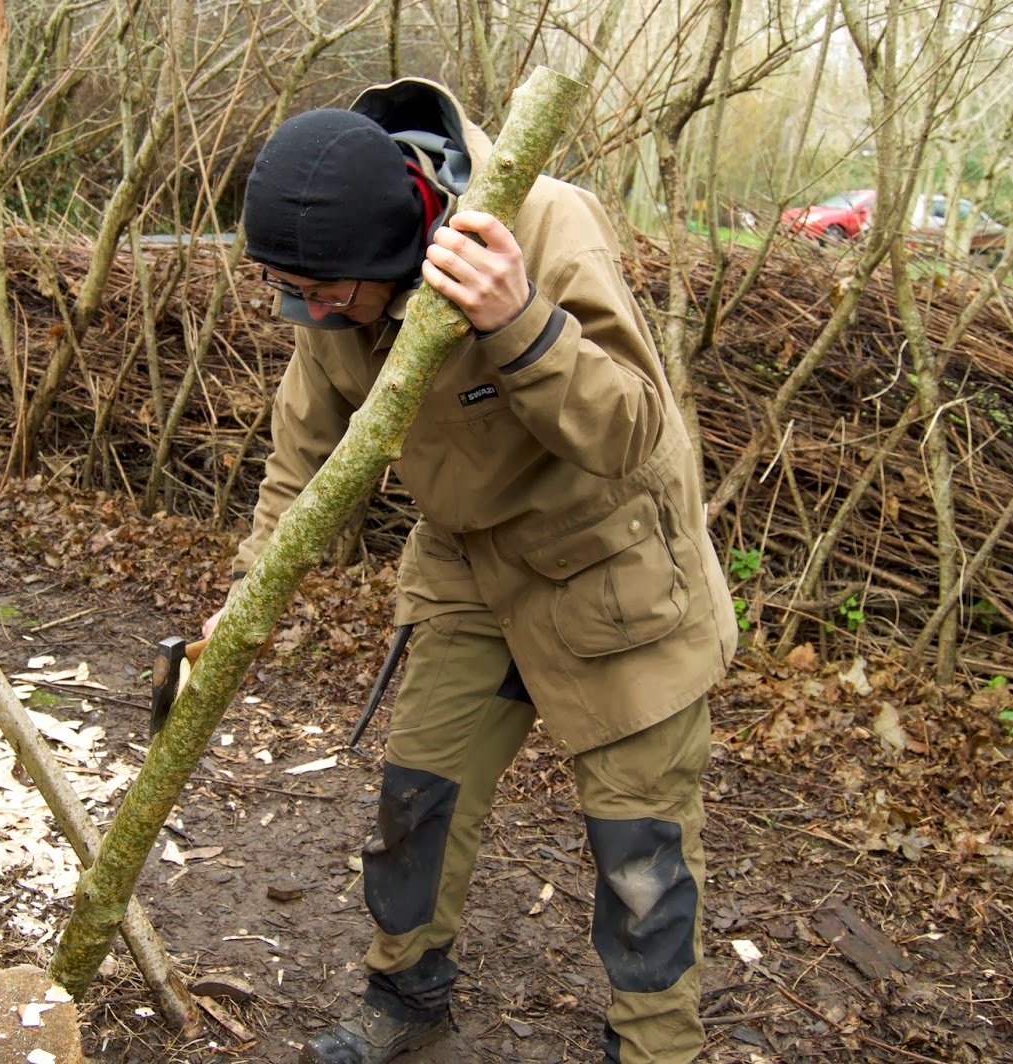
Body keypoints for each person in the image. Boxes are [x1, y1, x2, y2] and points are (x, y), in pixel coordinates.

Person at [204, 77, 738, 1064]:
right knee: (416, 799)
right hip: (466, 562)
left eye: (320, 292)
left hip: (611, 567)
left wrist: (520, 320)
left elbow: (631, 427)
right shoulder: (335, 283)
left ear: (393, 247)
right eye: (288, 287)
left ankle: (657, 1048)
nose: (304, 309)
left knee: (642, 853)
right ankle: (406, 994)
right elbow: (299, 462)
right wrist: (244, 605)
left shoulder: (544, 223)